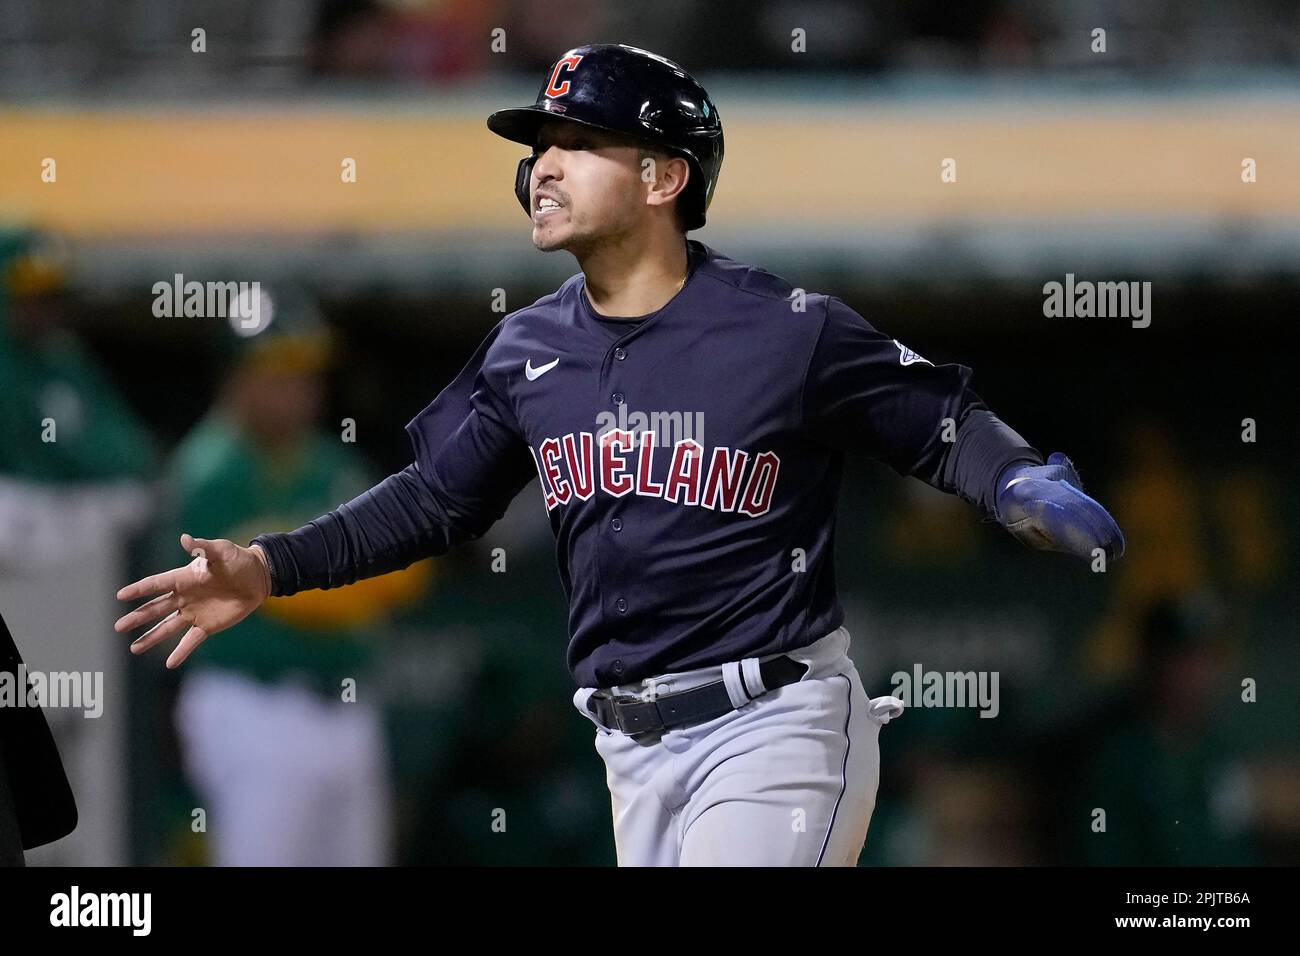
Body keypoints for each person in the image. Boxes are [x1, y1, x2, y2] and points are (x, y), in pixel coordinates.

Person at [115, 44, 1125, 867]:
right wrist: (271, 564)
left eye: (579, 141)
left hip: (774, 721)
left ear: (663, 176)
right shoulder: (525, 349)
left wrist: (1012, 475)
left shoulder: (783, 328)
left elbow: (934, 415)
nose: (542, 165)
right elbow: (434, 499)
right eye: (539, 144)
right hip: (629, 744)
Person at [157, 289, 428, 865]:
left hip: (347, 707)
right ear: (239, 377)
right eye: (281, 371)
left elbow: (406, 568)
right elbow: (247, 595)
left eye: (308, 372)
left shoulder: (333, 466)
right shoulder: (209, 473)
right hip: (256, 708)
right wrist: (331, 585)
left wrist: (304, 581)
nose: (302, 389)